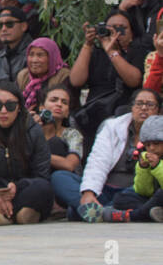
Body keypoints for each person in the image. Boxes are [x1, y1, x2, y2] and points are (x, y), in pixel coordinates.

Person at [77, 87, 162, 222]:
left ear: (158, 110)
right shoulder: (113, 126)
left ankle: (111, 213)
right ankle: (103, 209)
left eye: (150, 105)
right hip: (107, 189)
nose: (144, 108)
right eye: (139, 103)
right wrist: (89, 192)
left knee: (140, 197)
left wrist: (155, 165)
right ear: (131, 107)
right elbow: (97, 161)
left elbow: (145, 188)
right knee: (61, 178)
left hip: (136, 193)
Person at [69, 12, 146, 153]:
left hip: (123, 114)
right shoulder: (96, 53)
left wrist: (112, 52)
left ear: (132, 34)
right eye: (111, 29)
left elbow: (134, 81)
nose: (116, 33)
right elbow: (76, 80)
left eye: (122, 29)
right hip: (94, 114)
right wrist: (87, 45)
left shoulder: (137, 52)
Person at [0, 81, 53, 225]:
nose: (3, 111)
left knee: (44, 188)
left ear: (18, 108)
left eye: (10, 106)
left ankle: (2, 213)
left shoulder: (33, 131)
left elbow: (41, 175)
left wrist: (18, 187)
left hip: (23, 190)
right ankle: (14, 213)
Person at [37, 85, 83, 219]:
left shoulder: (72, 134)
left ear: (68, 112)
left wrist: (38, 155)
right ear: (41, 107)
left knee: (55, 143)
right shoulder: (32, 129)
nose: (59, 104)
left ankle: (57, 205)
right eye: (53, 100)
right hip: (38, 182)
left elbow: (70, 165)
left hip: (64, 182)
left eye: (64, 102)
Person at [120, 114, 163, 222]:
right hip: (153, 200)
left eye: (156, 143)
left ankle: (132, 215)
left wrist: (158, 166)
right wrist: (143, 168)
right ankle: (153, 212)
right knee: (122, 197)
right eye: (148, 145)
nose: (152, 148)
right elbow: (143, 191)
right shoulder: (147, 156)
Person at [15, 37, 68, 113]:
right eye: (31, 55)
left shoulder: (63, 76)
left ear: (51, 57)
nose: (34, 60)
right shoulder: (23, 75)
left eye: (40, 55)